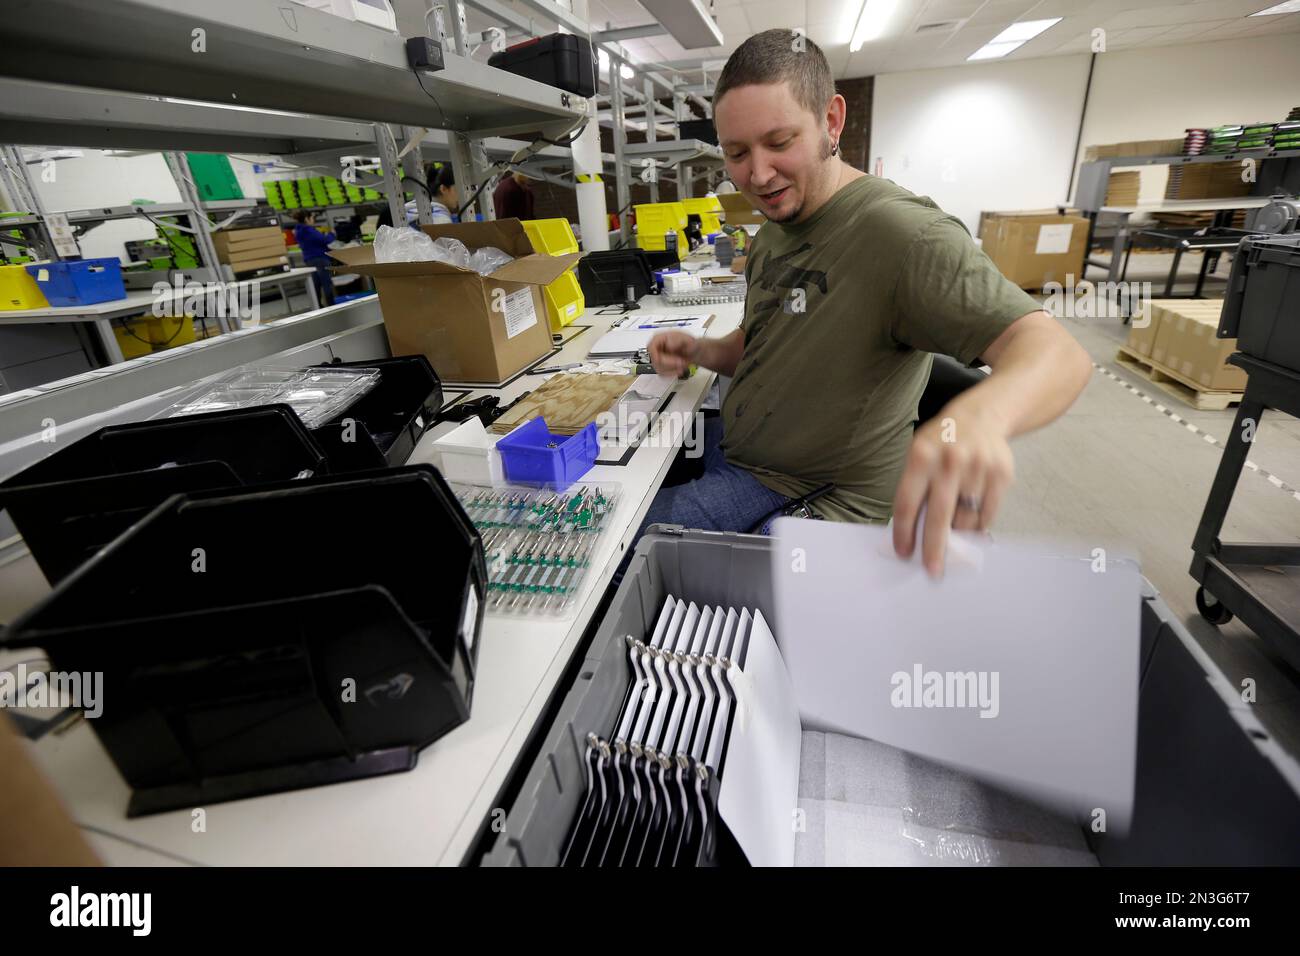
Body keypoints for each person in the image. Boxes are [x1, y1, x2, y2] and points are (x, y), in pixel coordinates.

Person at [642, 30, 1092, 576]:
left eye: (779, 143)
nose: (757, 175)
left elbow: (1057, 352)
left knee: (614, 557)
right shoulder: (773, 230)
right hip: (743, 460)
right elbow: (763, 346)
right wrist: (700, 349)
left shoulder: (902, 235)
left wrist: (982, 417)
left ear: (832, 121)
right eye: (737, 153)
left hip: (812, 499)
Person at [292, 210, 336, 307]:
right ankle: (332, 306)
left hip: (309, 260)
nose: (313, 220)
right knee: (326, 283)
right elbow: (324, 240)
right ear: (306, 219)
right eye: (312, 218)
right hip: (320, 259)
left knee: (316, 284)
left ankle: (318, 306)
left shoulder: (298, 231)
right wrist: (332, 234)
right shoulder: (308, 230)